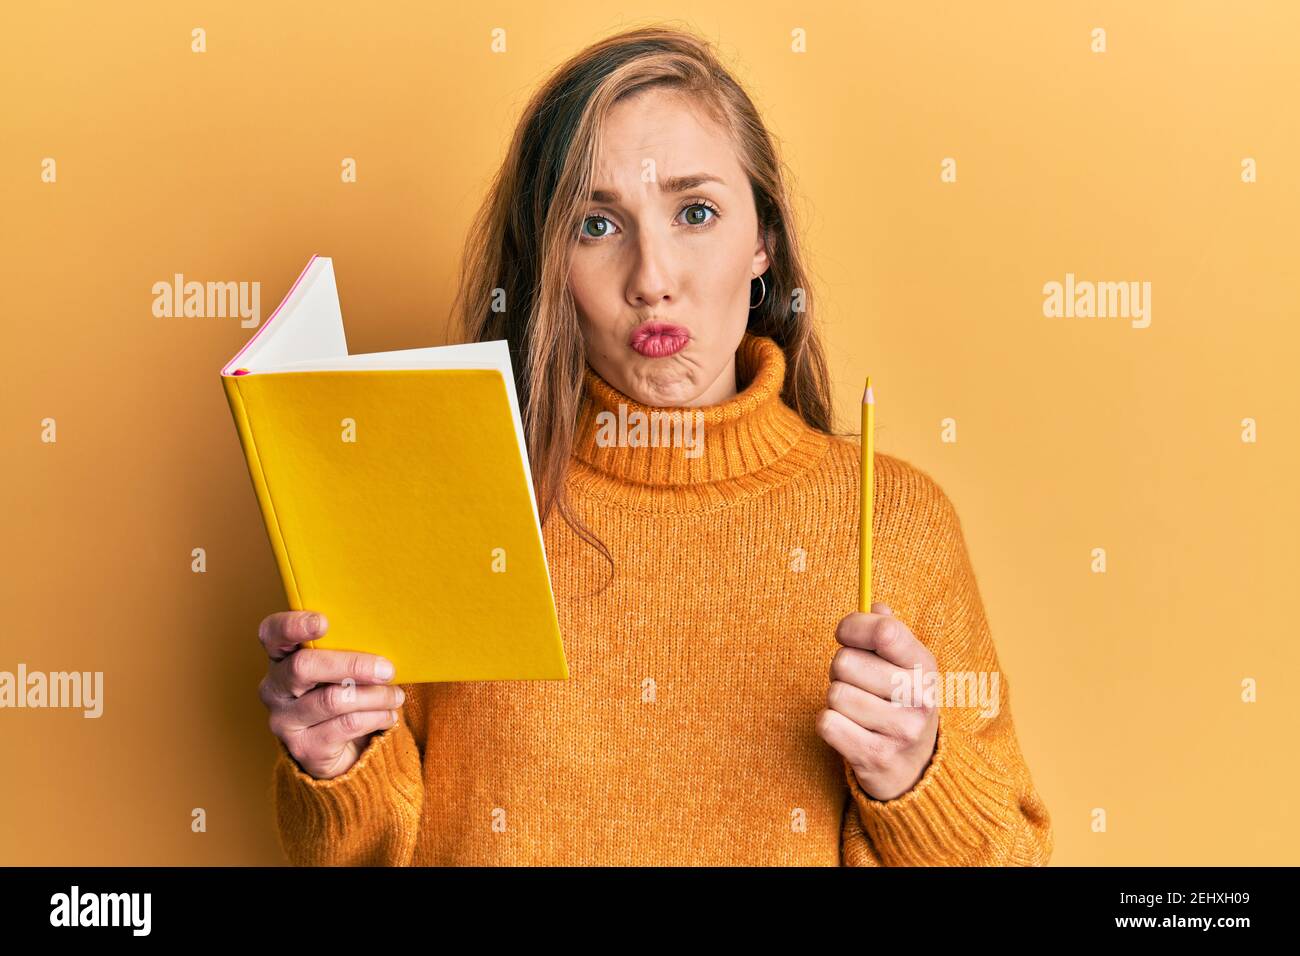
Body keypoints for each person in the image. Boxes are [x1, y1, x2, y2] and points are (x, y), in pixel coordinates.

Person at [256, 25, 1053, 866]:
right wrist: (334, 761)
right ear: (546, 270)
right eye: (597, 225)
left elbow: (1013, 856)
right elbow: (364, 856)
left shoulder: (892, 519)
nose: (652, 278)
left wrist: (913, 776)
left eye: (696, 212)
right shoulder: (447, 497)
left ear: (762, 243)